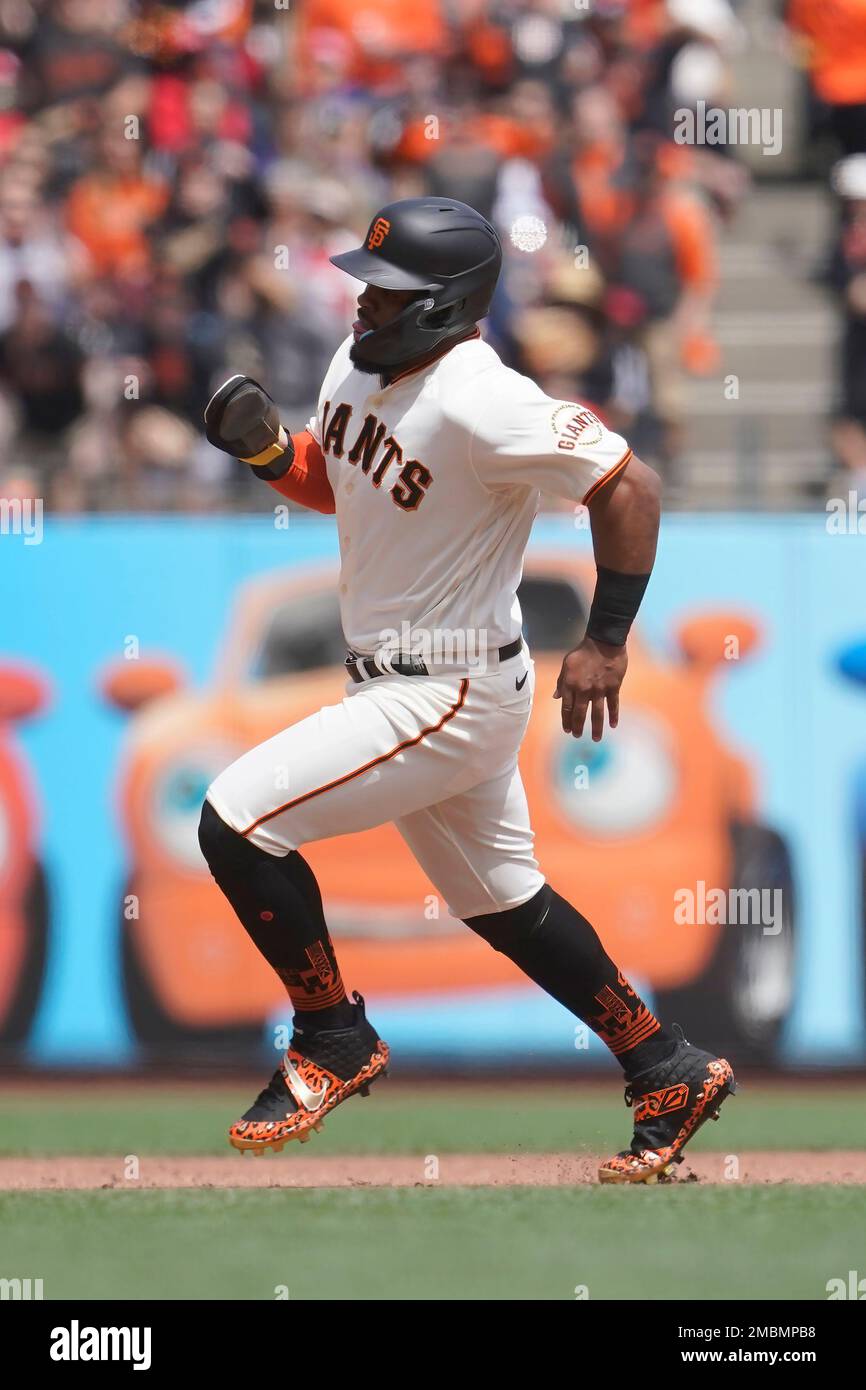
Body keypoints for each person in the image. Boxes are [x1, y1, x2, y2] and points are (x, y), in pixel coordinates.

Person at [199, 197, 735, 1184]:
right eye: (363, 285)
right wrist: (273, 455)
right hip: (410, 681)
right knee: (501, 901)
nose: (363, 306)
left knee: (235, 821)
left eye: (387, 293)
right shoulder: (356, 362)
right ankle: (663, 1064)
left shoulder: (482, 397)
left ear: (447, 305)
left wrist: (606, 640)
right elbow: (345, 480)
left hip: (443, 686)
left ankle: (329, 1035)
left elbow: (630, 487)